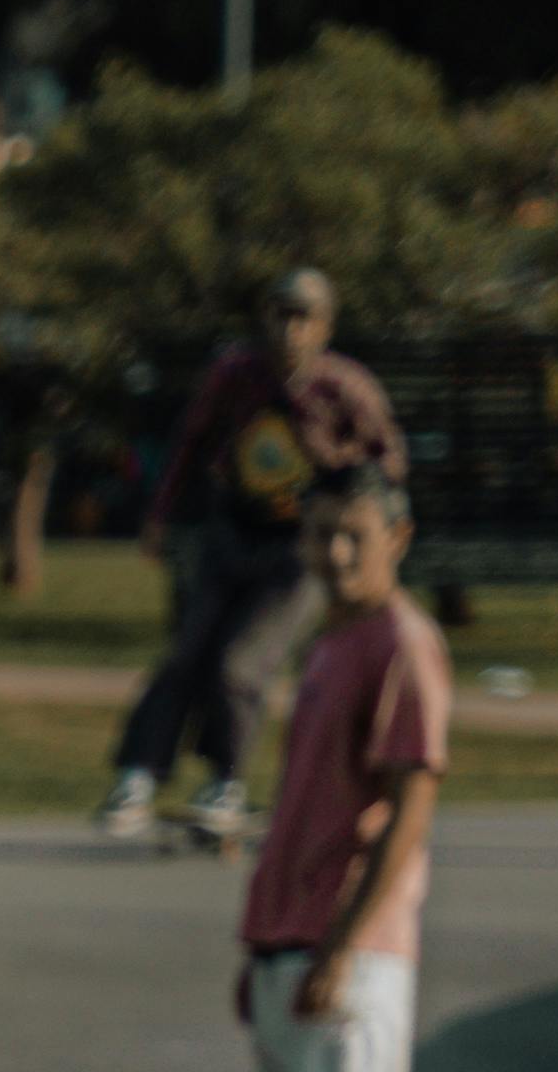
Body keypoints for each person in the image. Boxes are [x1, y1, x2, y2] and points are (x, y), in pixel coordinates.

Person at [235, 466, 447, 1072]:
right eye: (320, 535)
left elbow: (409, 801)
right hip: (299, 931)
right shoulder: (336, 640)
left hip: (349, 938)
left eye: (354, 535)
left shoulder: (398, 641)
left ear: (397, 538)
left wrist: (335, 947)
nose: (335, 554)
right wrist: (265, 943)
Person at [98, 270, 404, 844]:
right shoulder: (237, 374)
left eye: (303, 317)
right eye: (280, 314)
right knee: (186, 653)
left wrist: (355, 505)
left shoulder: (344, 386)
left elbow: (387, 459)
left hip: (302, 549)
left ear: (325, 326)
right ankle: (138, 775)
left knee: (242, 663)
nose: (290, 329)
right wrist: (161, 515)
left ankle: (226, 782)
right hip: (233, 531)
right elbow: (191, 442)